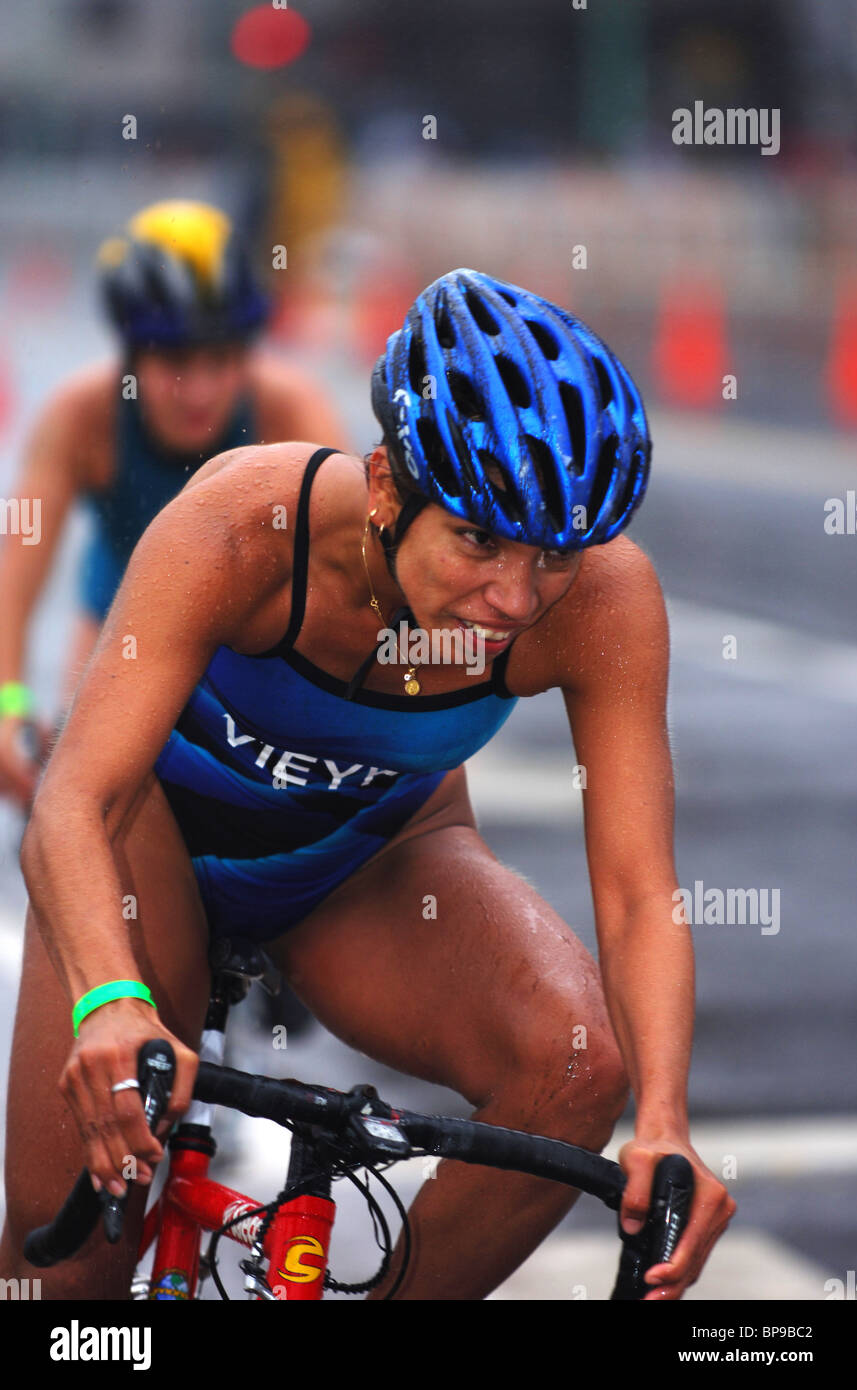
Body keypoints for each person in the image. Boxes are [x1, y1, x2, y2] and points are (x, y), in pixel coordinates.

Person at [0, 268, 735, 1300]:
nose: (517, 597)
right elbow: (72, 800)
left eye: (555, 554)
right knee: (66, 1265)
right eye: (479, 539)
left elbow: (633, 888)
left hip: (367, 858)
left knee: (580, 1063)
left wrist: (664, 1118)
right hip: (153, 836)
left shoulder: (605, 601)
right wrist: (111, 999)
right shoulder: (240, 523)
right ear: (386, 485)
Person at [0, 198, 346, 809]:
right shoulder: (80, 418)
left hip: (249, 619)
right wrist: (7, 704)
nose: (202, 390)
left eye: (222, 359)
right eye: (175, 362)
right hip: (118, 609)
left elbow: (352, 579)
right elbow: (12, 581)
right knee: (75, 798)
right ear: (132, 354)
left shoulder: (291, 411)